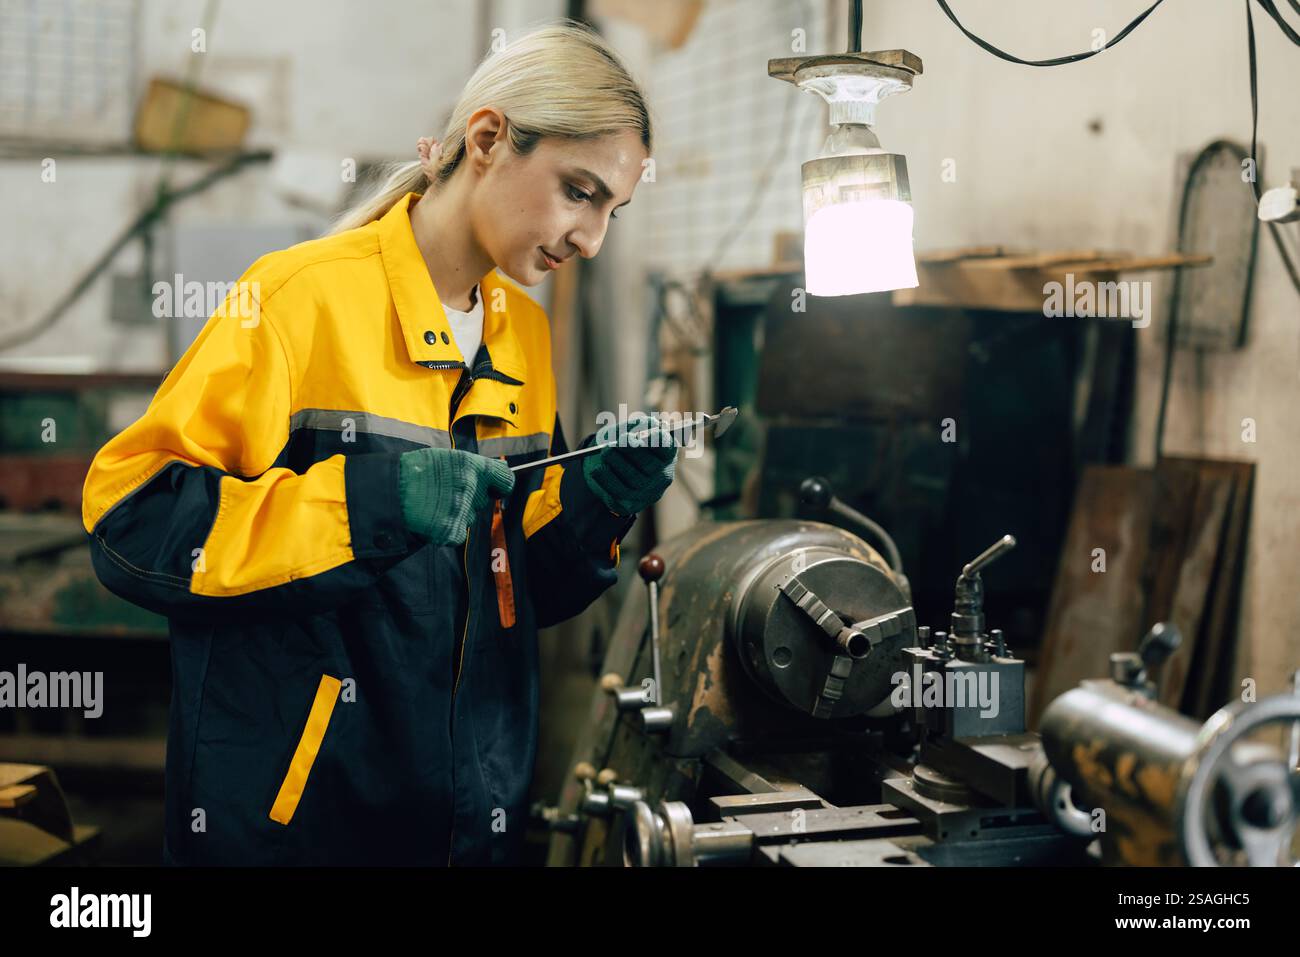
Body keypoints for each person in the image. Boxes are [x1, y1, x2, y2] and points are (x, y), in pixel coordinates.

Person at [81, 20, 675, 866]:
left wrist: (599, 498)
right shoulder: (295, 301)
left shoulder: (525, 339)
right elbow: (129, 520)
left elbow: (518, 590)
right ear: (488, 139)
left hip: (469, 820)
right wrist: (368, 506)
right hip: (298, 826)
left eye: (613, 208)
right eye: (578, 191)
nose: (592, 238)